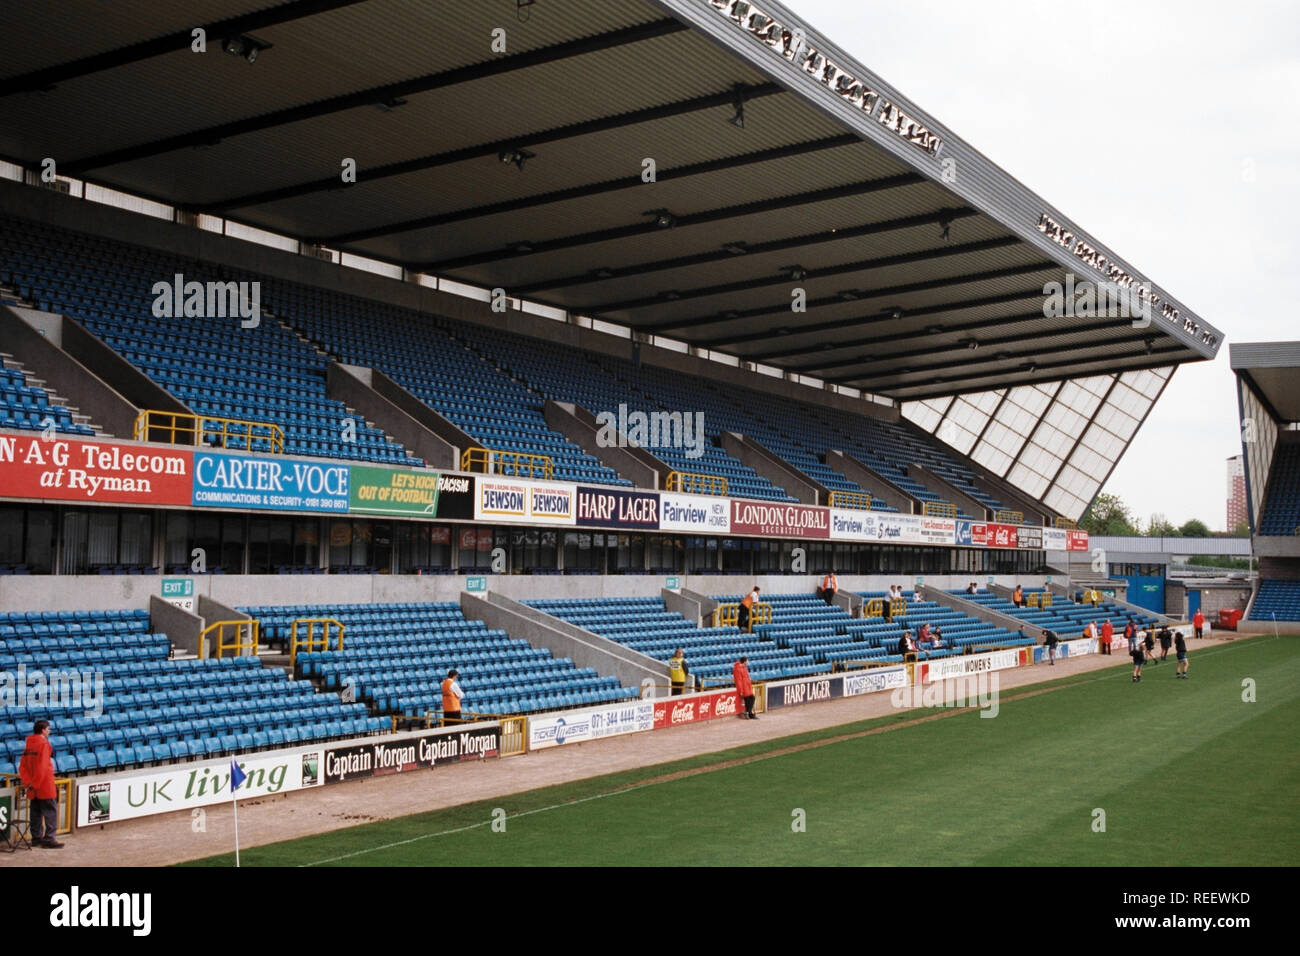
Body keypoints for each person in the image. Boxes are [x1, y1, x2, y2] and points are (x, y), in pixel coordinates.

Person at [19, 719, 63, 848]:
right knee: (50, 812)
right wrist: (36, 783)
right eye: (48, 729)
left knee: (35, 813)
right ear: (43, 730)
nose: (49, 731)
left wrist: (29, 784)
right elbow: (43, 766)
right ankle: (49, 839)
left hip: (33, 786)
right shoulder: (44, 744)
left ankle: (36, 838)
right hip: (44, 785)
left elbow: (23, 767)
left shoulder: (28, 745)